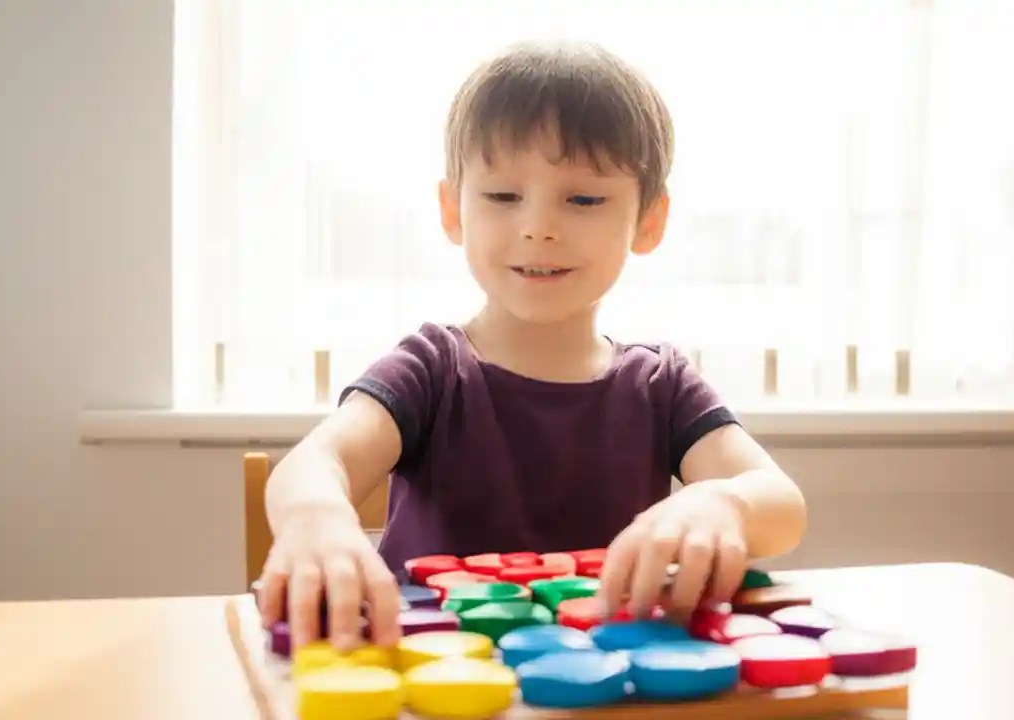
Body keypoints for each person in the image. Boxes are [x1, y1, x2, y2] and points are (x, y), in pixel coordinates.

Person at [254, 40, 807, 653]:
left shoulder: (661, 384)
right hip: (434, 681)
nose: (538, 226)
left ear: (649, 221)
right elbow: (317, 460)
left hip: (611, 687)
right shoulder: (432, 369)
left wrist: (724, 502)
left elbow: (782, 504)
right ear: (453, 210)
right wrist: (315, 517)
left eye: (584, 199)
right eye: (502, 196)